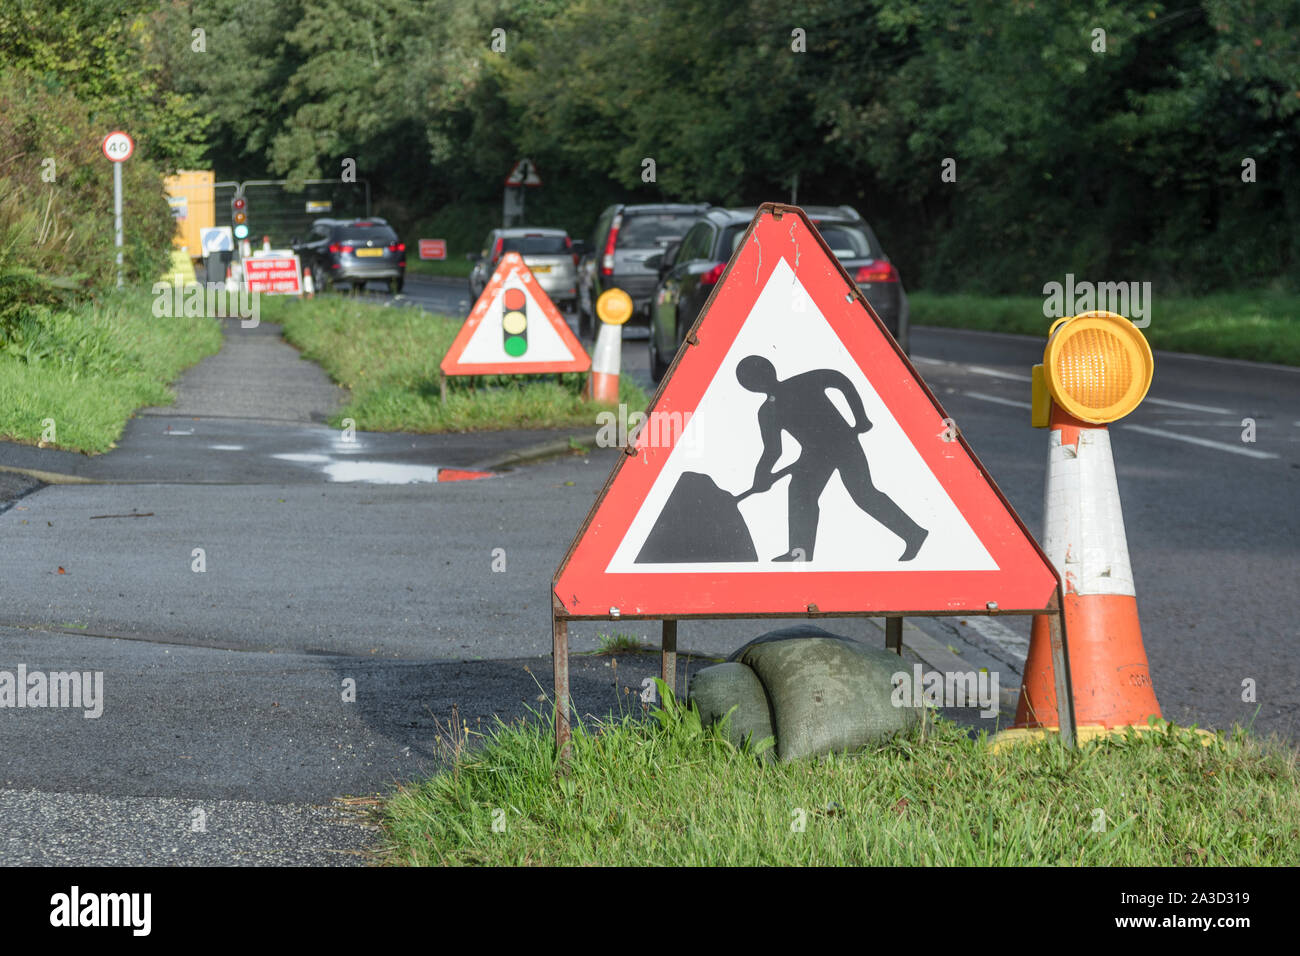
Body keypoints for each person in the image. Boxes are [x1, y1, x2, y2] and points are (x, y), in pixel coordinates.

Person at [736, 355, 928, 562]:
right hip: (815, 454)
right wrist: (761, 476)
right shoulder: (769, 410)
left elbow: (839, 380)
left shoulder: (800, 385)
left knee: (862, 494)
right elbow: (773, 450)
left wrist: (861, 418)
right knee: (801, 493)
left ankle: (913, 533)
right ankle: (800, 552)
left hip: (844, 444)